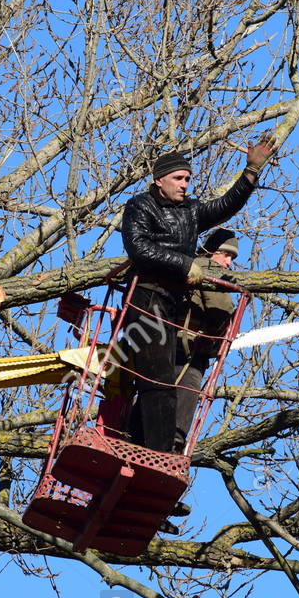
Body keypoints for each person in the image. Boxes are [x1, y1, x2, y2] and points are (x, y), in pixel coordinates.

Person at [119, 136, 274, 455]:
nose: (185, 184)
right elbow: (138, 247)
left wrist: (251, 171)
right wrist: (183, 263)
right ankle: (158, 458)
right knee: (157, 379)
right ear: (159, 180)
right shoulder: (140, 206)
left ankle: (136, 444)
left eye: (188, 179)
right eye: (178, 178)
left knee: (169, 379)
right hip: (147, 298)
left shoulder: (190, 211)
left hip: (173, 303)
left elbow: (225, 205)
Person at [173, 228, 239, 453]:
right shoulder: (207, 266)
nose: (228, 263)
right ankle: (173, 441)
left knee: (154, 390)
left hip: (164, 342)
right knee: (188, 387)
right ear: (212, 251)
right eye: (226, 255)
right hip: (187, 347)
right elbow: (220, 308)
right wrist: (217, 331)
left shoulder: (183, 265)